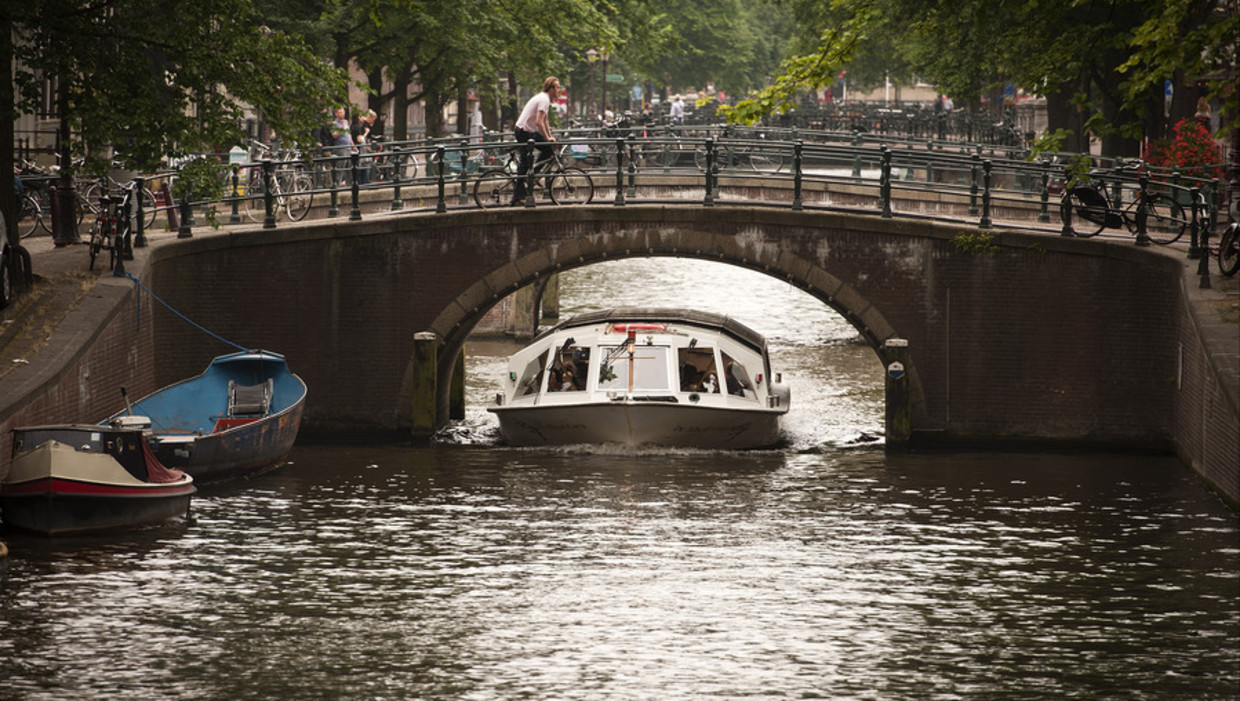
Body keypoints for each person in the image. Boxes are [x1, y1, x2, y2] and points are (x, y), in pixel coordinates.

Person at [512, 76, 561, 206]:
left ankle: (533, 174)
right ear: (551, 89)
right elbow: (539, 122)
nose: (559, 90)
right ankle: (517, 195)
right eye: (557, 87)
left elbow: (545, 121)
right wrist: (547, 138)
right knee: (524, 163)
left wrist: (549, 137)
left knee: (548, 149)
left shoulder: (545, 99)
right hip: (523, 132)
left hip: (529, 131)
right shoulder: (543, 99)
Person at [329, 107, 353, 185]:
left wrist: (352, 144)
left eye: (343, 112)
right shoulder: (334, 124)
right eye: (340, 112)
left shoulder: (346, 122)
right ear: (336, 114)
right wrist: (341, 130)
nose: (342, 114)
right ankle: (337, 185)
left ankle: (349, 184)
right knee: (340, 167)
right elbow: (334, 135)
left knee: (350, 167)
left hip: (348, 147)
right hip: (340, 147)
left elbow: (349, 134)